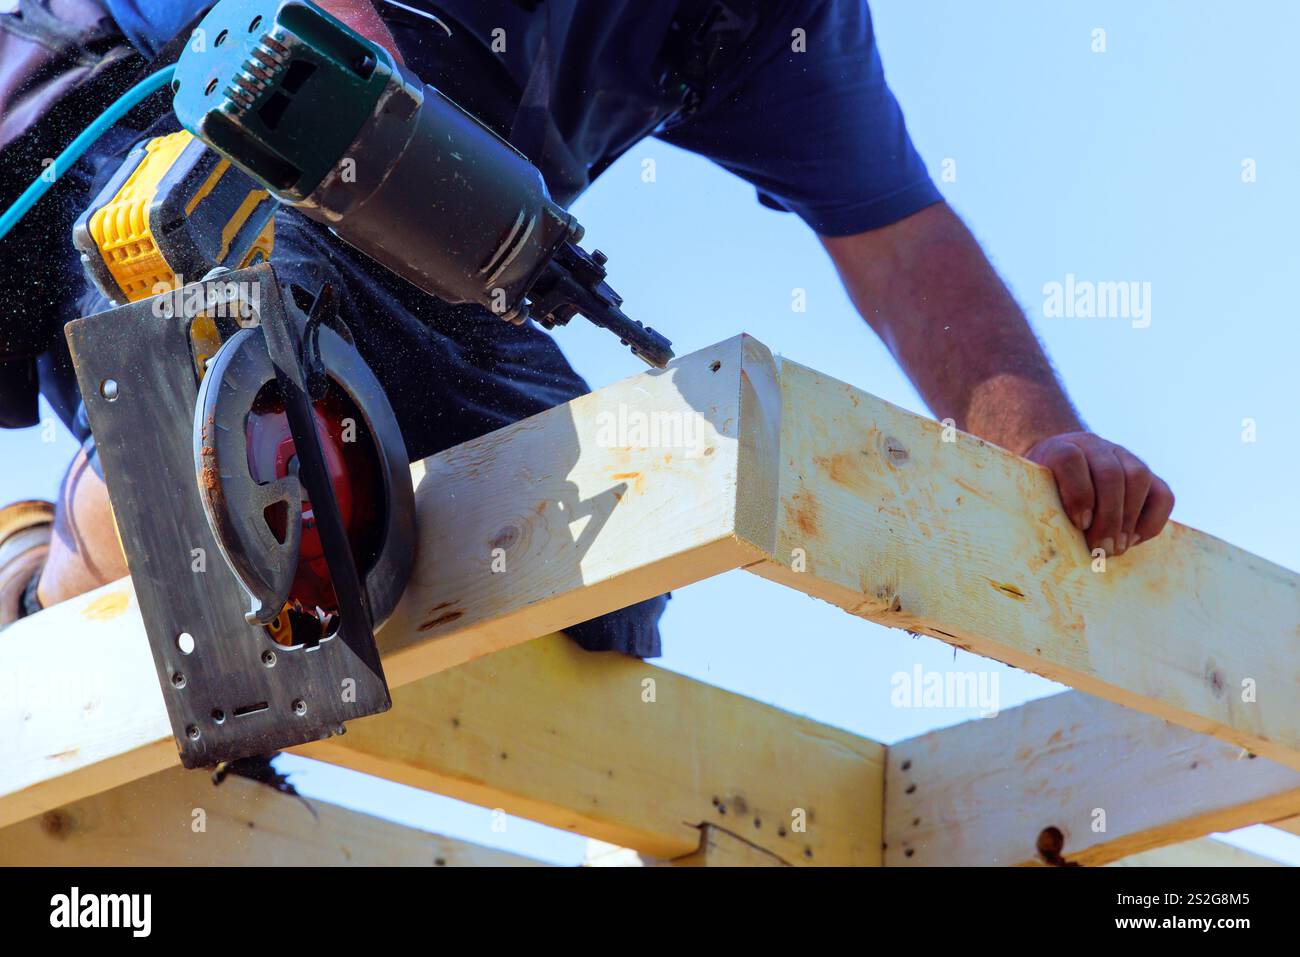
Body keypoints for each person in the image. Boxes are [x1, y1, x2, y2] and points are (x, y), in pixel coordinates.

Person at [0, 0, 1174, 653]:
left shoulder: (766, 21)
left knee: (590, 582)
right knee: (282, 343)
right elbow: (328, 55)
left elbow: (903, 238)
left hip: (342, 221)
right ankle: (62, 587)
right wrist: (416, 162)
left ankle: (141, 624)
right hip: (95, 108)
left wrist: (1043, 452)